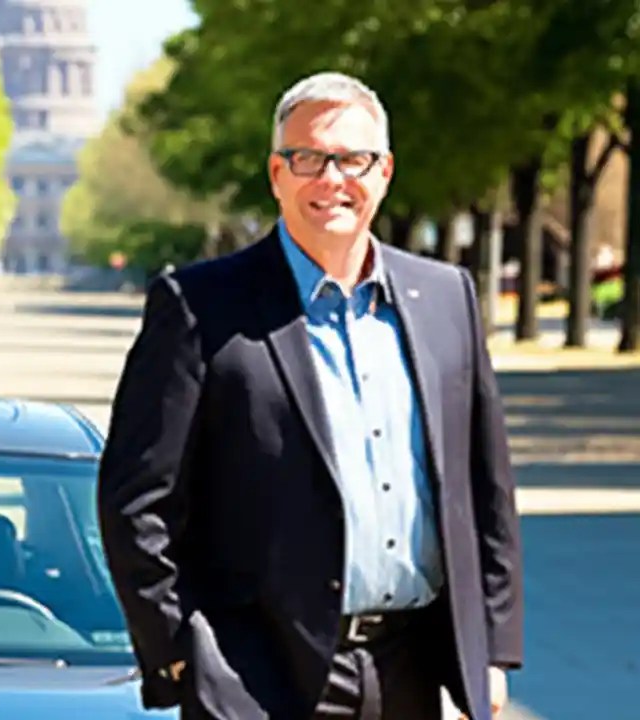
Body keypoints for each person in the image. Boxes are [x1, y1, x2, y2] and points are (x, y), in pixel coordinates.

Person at [96, 71, 523, 720]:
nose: (331, 179)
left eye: (353, 159)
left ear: (384, 173)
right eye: (308, 159)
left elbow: (485, 488)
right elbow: (136, 499)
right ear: (276, 174)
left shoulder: (446, 298)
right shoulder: (198, 307)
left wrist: (492, 649)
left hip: (412, 670)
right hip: (257, 676)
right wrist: (179, 649)